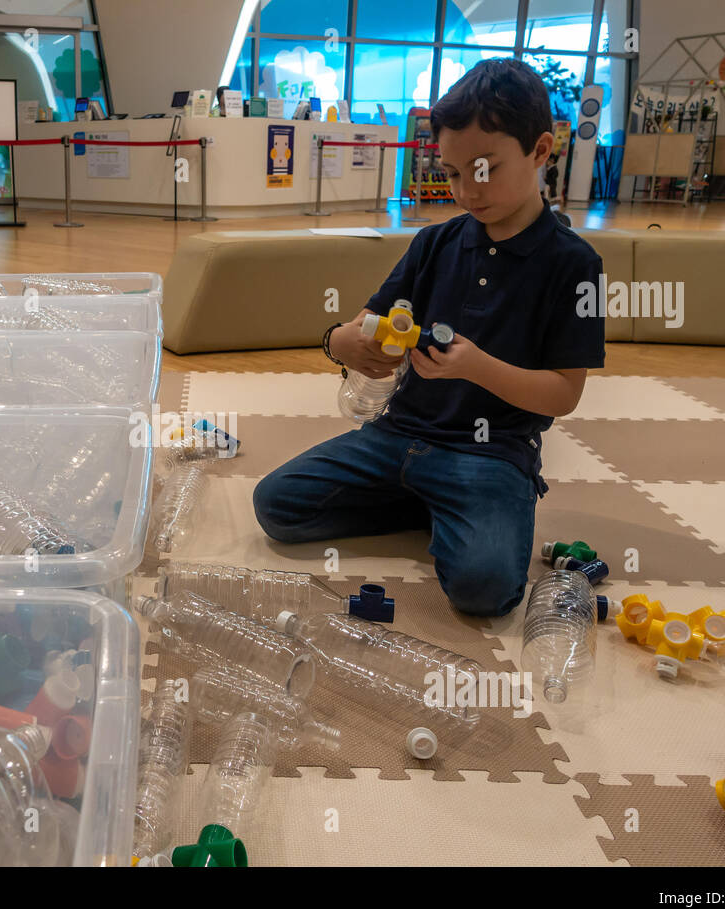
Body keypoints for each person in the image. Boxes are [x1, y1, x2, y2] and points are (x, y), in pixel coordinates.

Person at [253, 58, 604, 618]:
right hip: (398, 434)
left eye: (484, 168)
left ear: (541, 150)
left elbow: (564, 393)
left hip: (490, 454)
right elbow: (363, 325)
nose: (468, 189)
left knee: (483, 589)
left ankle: (449, 506)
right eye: (453, 172)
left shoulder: (573, 264)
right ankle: (433, 505)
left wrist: (476, 366)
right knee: (276, 506)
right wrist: (344, 343)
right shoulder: (436, 243)